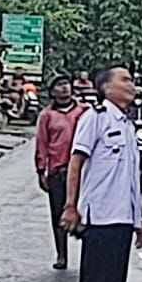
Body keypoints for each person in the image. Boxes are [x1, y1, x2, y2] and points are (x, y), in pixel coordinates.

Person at [61, 67, 142, 282]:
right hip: (99, 215)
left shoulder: (127, 125)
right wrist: (71, 205)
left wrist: (140, 220)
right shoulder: (95, 118)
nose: (131, 85)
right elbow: (76, 162)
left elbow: (130, 180)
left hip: (122, 218)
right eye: (124, 80)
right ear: (105, 87)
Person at [34, 75, 87, 269]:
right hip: (58, 171)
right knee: (58, 215)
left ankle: (88, 256)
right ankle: (61, 255)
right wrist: (41, 171)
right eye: (59, 85)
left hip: (82, 171)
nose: (64, 88)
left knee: (86, 214)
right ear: (52, 91)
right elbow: (42, 144)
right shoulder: (47, 116)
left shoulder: (84, 112)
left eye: (66, 84)